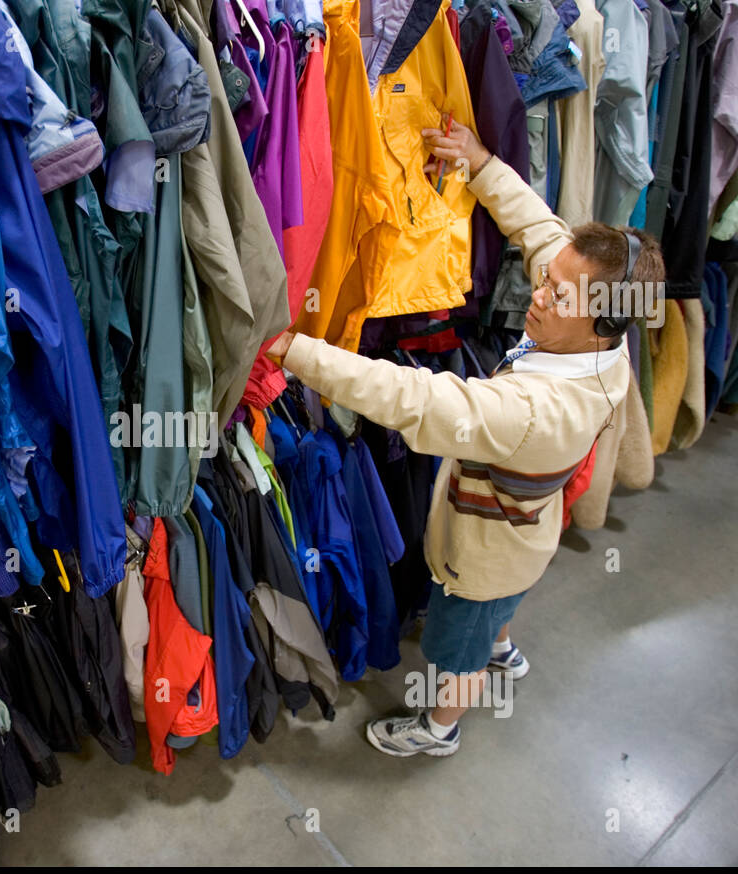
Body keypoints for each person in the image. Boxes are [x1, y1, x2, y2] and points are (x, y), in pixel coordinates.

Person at [265, 119, 666, 757]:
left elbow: (413, 398)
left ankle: (438, 727)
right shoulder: (599, 331)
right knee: (498, 610)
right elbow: (539, 230)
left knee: (454, 649)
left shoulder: (539, 410)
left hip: (481, 560)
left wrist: (295, 351)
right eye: (548, 279)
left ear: (599, 320)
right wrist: (479, 163)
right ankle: (501, 646)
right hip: (527, 534)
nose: (538, 294)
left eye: (557, 294)